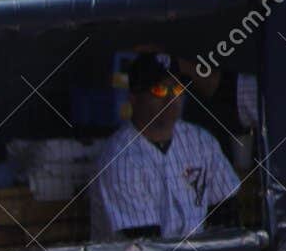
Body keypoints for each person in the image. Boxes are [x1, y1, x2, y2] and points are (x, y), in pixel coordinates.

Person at [90, 53, 241, 241]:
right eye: (159, 90)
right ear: (134, 99)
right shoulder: (120, 157)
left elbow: (226, 213)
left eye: (177, 90)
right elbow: (146, 245)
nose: (171, 98)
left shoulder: (201, 141)